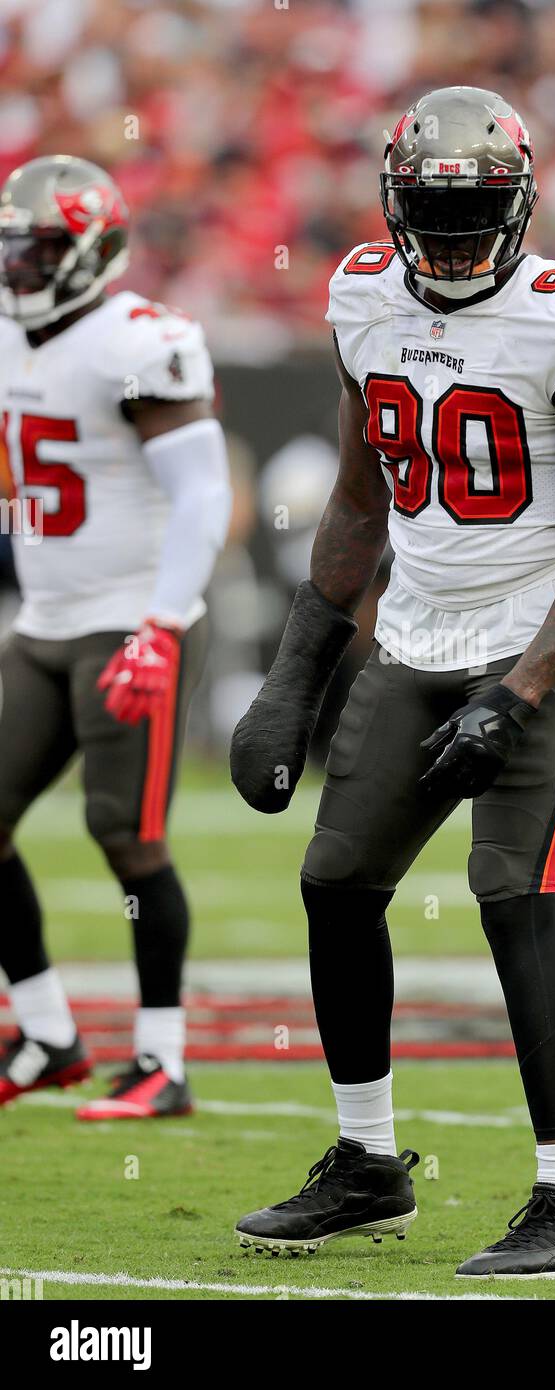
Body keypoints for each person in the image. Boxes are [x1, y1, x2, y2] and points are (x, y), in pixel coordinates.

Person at [231, 87, 555, 1279]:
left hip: (540, 630)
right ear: (390, 198)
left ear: (521, 204)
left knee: (514, 893)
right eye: (425, 205)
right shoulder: (362, 292)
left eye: (468, 209)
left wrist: (518, 690)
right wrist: (292, 678)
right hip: (413, 636)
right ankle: (367, 1165)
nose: (449, 232)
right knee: (333, 881)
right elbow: (364, 494)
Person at [0, 155, 232, 1119]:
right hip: (43, 621)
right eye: (12, 245)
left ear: (92, 251)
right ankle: (49, 1032)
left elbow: (203, 492)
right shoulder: (11, 339)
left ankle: (162, 1058)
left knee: (126, 839)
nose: (19, 265)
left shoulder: (136, 342)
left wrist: (162, 624)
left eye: (40, 246)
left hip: (124, 621)